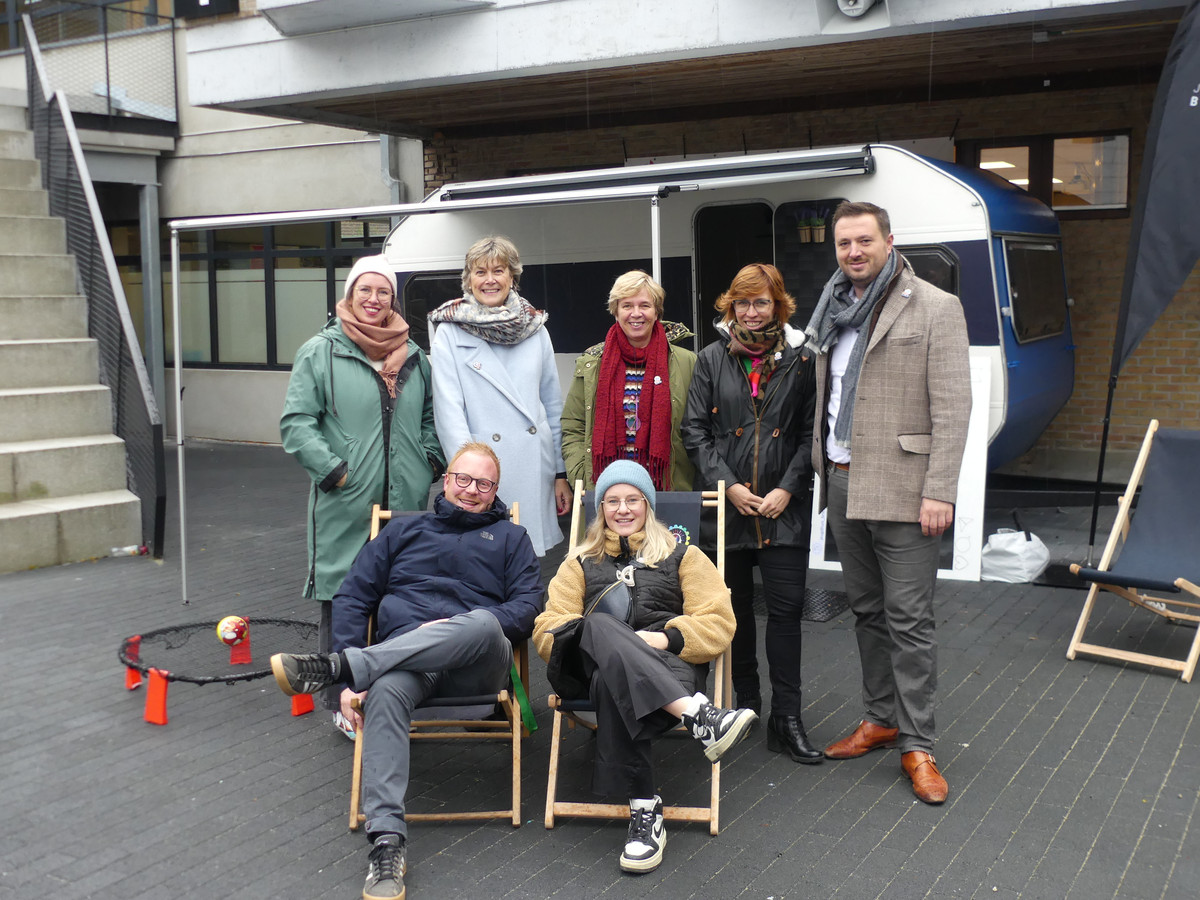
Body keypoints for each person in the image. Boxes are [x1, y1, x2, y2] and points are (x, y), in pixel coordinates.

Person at [269, 442, 542, 900]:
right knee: (388, 690)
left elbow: (529, 606)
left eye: (484, 484)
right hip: (405, 665)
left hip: (478, 662)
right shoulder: (402, 532)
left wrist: (355, 673)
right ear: (447, 478)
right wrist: (354, 687)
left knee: (480, 621)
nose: (471, 490)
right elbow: (353, 597)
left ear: (495, 492)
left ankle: (344, 666)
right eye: (463, 479)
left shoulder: (511, 538)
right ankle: (386, 843)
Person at [802, 200, 970, 805]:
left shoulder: (935, 307)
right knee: (868, 612)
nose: (853, 252)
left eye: (864, 241)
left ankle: (918, 743)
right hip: (844, 481)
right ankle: (880, 718)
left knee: (909, 620)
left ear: (889, 240)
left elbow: (953, 408)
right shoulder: (833, 310)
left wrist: (940, 490)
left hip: (906, 489)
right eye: (844, 243)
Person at [533, 459, 757, 875]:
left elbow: (719, 621)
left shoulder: (683, 556)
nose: (622, 509)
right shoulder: (578, 563)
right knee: (598, 623)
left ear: (648, 505)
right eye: (611, 501)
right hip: (585, 664)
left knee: (609, 680)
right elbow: (547, 628)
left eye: (632, 499)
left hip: (664, 666)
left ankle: (644, 813)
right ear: (600, 509)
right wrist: (595, 638)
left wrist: (664, 638)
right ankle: (698, 715)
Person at [280, 254, 443, 740]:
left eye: (384, 292)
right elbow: (296, 422)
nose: (374, 300)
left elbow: (431, 418)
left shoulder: (414, 355)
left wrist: (429, 463)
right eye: (365, 290)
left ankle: (392, 694)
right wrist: (333, 470)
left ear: (395, 299)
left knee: (399, 596)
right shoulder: (321, 351)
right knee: (344, 595)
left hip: (404, 500)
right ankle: (342, 701)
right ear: (349, 295)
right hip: (346, 500)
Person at [681, 263, 820, 763]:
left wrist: (788, 488)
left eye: (761, 302)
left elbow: (810, 435)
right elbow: (694, 432)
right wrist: (729, 487)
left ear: (778, 305)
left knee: (785, 616)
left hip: (784, 509)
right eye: (742, 302)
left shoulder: (803, 359)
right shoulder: (711, 359)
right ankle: (746, 706)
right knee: (733, 613)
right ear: (730, 306)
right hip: (727, 509)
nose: (752, 312)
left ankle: (787, 717)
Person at [428, 235, 571, 557]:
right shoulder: (450, 330)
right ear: (468, 280)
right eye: (480, 272)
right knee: (481, 556)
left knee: (525, 559)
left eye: (499, 270)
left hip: (534, 464)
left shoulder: (536, 327)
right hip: (481, 470)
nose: (490, 280)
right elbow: (449, 410)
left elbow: (551, 405)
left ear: (512, 277)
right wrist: (465, 476)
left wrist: (560, 473)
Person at [560, 270, 696, 492]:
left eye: (644, 305)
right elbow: (573, 425)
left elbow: (699, 429)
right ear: (615, 311)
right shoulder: (592, 363)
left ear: (657, 312)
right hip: (608, 492)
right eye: (627, 306)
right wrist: (581, 475)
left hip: (665, 489)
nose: (636, 313)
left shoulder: (687, 362)